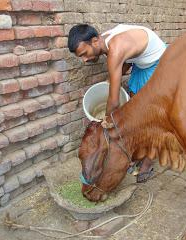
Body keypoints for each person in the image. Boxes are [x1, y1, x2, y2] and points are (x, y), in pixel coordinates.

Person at [68, 24, 167, 183]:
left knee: (153, 120)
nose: (84, 60)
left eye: (84, 54)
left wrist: (106, 123)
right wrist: (110, 81)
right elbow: (125, 62)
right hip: (141, 63)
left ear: (94, 41)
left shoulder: (115, 48)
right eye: (80, 57)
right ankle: (139, 152)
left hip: (159, 64)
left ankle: (148, 162)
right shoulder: (104, 40)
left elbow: (113, 102)